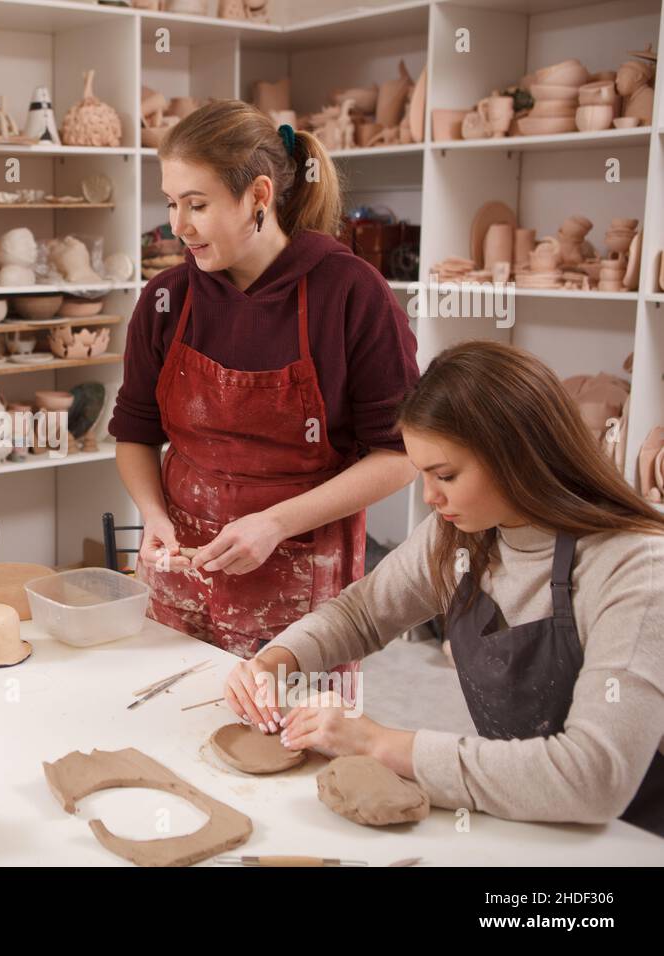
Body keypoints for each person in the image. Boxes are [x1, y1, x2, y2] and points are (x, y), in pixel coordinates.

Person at [225, 341, 664, 834]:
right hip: (525, 812)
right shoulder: (460, 534)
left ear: (518, 456)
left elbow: (595, 778)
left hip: (631, 837)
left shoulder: (633, 564)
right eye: (423, 475)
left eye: (447, 475)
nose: (431, 498)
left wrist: (379, 744)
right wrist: (274, 661)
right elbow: (362, 614)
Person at [109, 100, 419, 667]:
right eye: (171, 203)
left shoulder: (351, 292)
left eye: (197, 205)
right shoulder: (166, 299)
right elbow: (134, 433)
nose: (178, 227)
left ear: (258, 196)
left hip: (300, 577)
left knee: (286, 743)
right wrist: (154, 516)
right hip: (184, 569)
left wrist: (275, 523)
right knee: (169, 732)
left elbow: (401, 455)